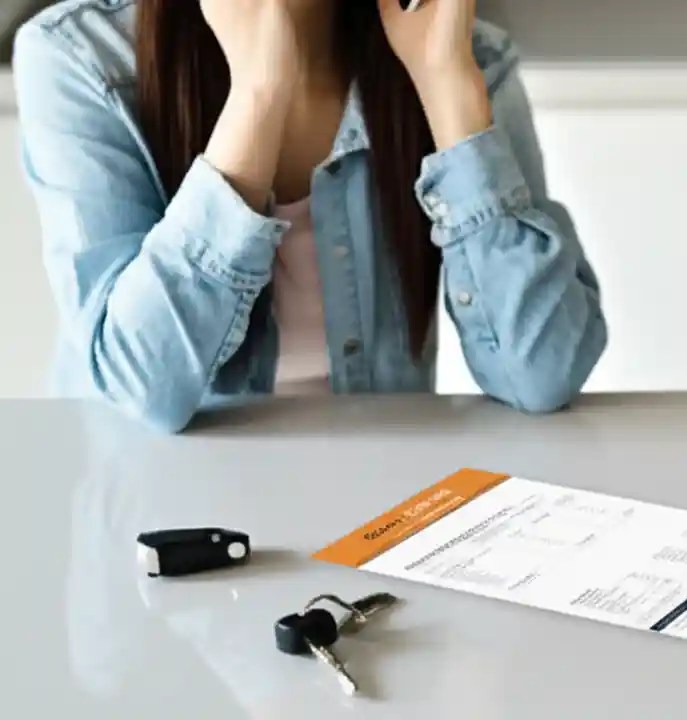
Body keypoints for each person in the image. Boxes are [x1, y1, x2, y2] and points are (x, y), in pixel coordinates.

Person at [13, 0, 607, 433]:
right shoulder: (80, 57)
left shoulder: (467, 55)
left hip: (370, 505)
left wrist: (448, 87)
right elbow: (143, 387)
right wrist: (259, 94)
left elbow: (541, 374)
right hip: (154, 514)